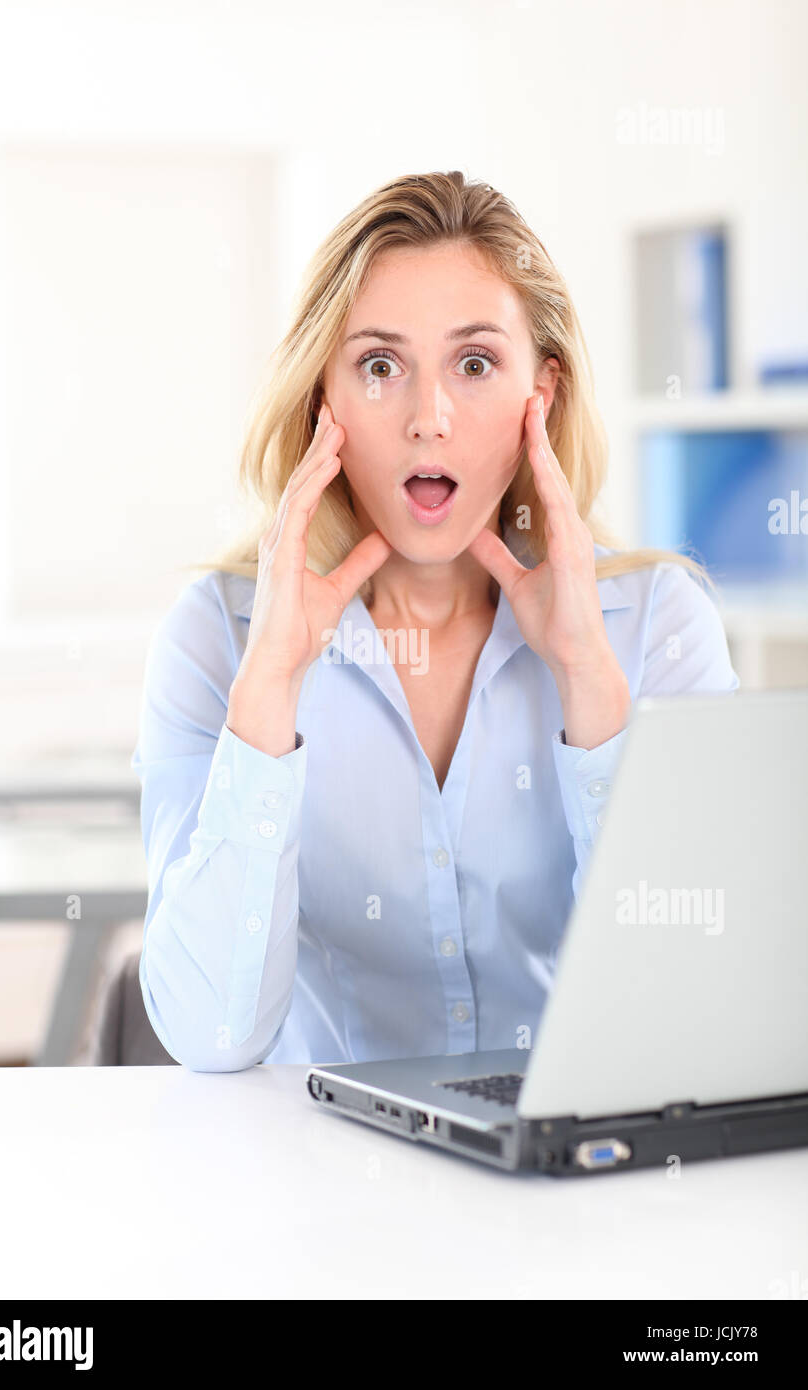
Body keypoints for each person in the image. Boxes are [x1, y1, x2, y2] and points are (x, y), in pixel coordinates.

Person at [133, 170, 738, 1072]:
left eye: (476, 362)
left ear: (547, 392)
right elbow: (212, 1038)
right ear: (321, 400)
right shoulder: (216, 634)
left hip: (584, 1187)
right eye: (380, 366)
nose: (429, 418)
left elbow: (694, 1015)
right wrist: (268, 692)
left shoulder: (659, 625)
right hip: (317, 1178)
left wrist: (590, 686)